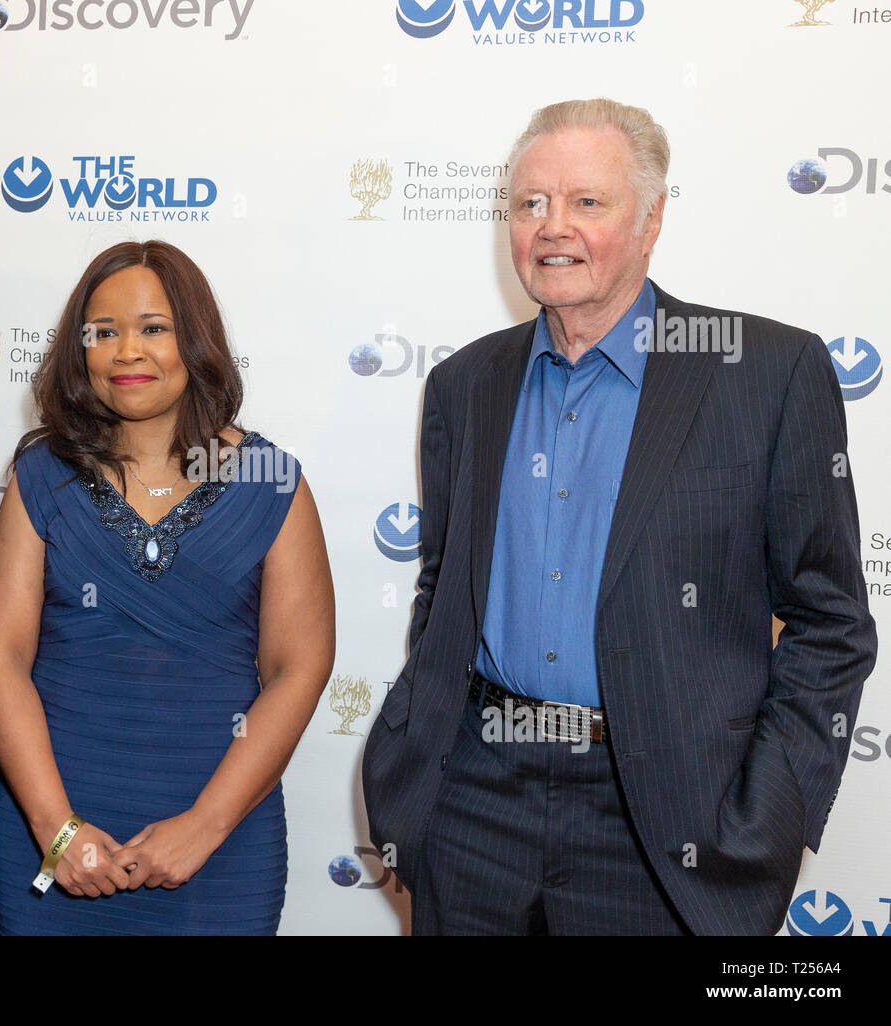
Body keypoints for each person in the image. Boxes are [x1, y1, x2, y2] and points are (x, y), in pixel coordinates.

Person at [362, 98, 876, 935]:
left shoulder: (766, 372)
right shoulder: (464, 386)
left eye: (586, 203)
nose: (552, 227)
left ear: (652, 219)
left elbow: (831, 624)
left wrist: (764, 816)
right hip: (471, 808)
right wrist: (413, 774)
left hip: (667, 824)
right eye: (531, 204)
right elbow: (443, 586)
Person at [0, 240, 334, 935]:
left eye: (153, 328)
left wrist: (204, 825)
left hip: (222, 844)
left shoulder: (271, 481)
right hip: (50, 833)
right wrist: (56, 829)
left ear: (194, 340)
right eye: (102, 332)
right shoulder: (42, 475)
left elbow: (299, 669)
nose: (125, 352)